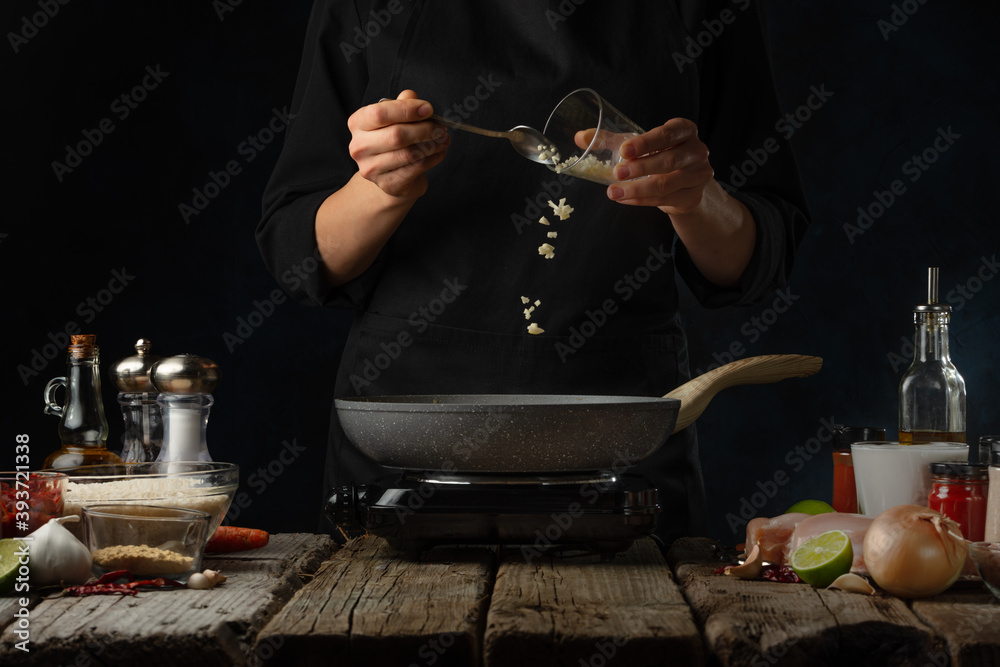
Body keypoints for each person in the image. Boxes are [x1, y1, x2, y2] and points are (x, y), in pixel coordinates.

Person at [257, 0, 810, 546]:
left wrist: (696, 199)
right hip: (407, 434)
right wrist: (377, 188)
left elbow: (758, 259)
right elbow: (300, 257)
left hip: (619, 432)